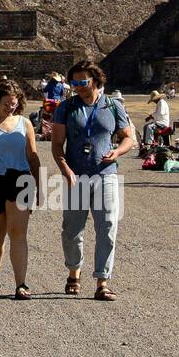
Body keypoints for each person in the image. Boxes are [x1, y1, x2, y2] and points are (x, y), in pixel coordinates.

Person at [50, 61, 132, 301]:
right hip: (76, 176)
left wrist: (117, 152)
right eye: (73, 83)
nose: (78, 87)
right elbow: (56, 144)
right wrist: (65, 168)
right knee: (72, 230)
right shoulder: (66, 108)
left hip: (105, 174)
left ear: (96, 80)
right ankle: (74, 273)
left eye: (82, 82)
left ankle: (102, 282)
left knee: (107, 227)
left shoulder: (113, 106)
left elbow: (128, 138)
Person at [0, 80, 44, 299]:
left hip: (21, 180)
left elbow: (33, 156)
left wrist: (40, 185)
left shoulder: (25, 123)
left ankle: (21, 284)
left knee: (18, 233)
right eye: (6, 103)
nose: (10, 107)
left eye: (14, 104)